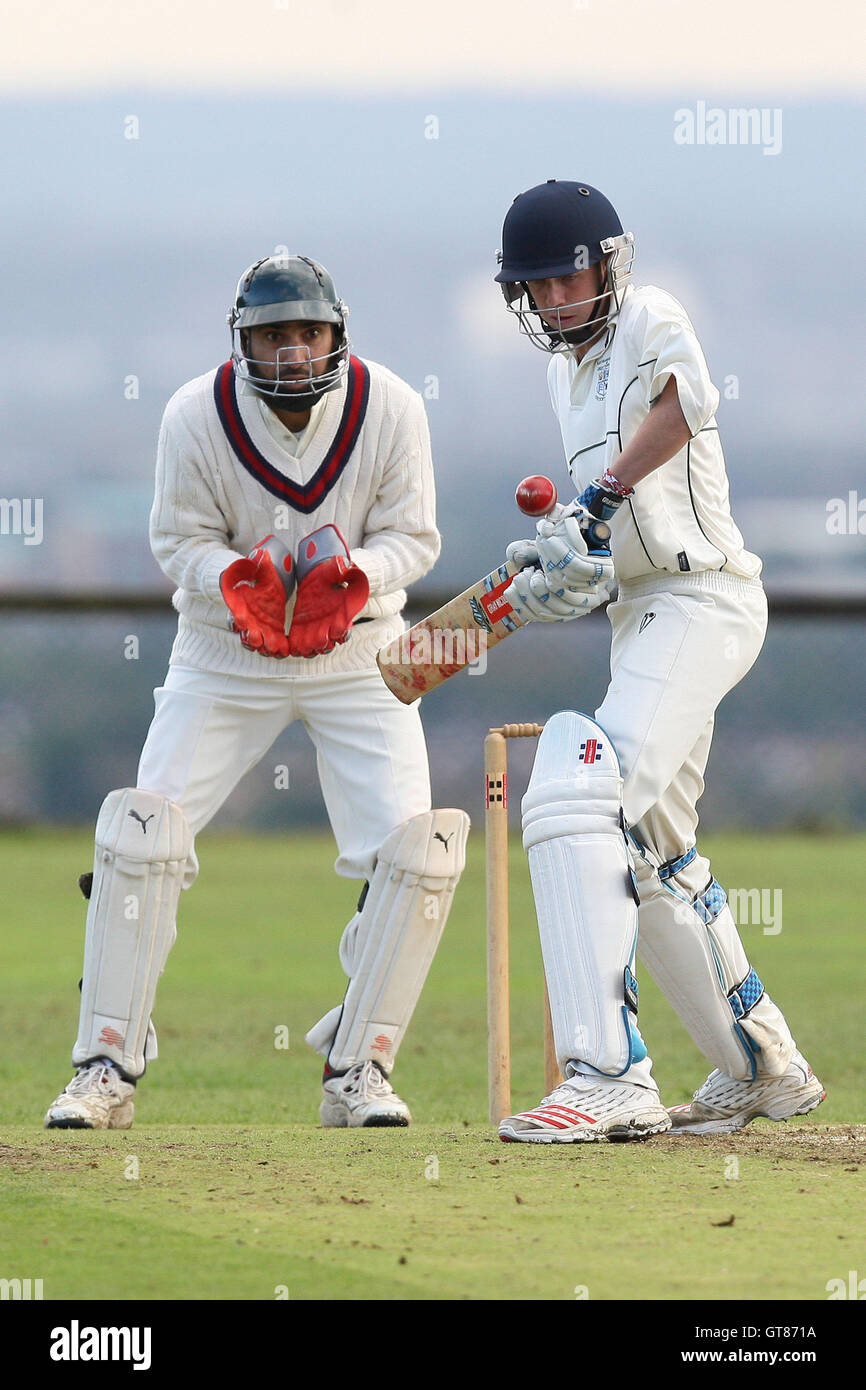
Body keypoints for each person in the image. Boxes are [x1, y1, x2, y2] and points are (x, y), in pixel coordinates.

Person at [45, 253, 469, 1131]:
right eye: (274, 335)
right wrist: (236, 578)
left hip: (359, 650)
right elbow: (175, 539)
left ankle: (360, 1071)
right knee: (141, 832)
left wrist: (352, 574)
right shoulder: (192, 415)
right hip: (223, 651)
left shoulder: (391, 405)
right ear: (244, 342)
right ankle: (105, 1067)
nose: (291, 352)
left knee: (416, 854)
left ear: (336, 335)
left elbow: (415, 537)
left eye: (307, 333)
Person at [492, 180, 824, 1142]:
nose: (556, 300)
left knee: (576, 786)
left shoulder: (652, 317)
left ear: (606, 265)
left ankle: (608, 1077)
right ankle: (763, 1068)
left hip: (707, 596)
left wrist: (596, 492)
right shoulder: (562, 375)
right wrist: (561, 566)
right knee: (652, 854)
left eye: (568, 277)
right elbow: (614, 540)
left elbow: (681, 412)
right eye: (537, 287)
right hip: (642, 613)